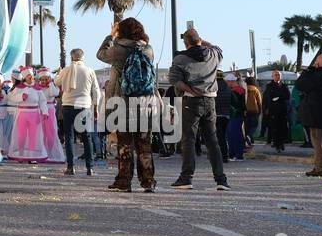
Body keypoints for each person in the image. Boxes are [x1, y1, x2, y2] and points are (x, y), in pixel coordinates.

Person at [97, 18, 160, 193]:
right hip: (145, 103)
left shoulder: (118, 50)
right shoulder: (148, 49)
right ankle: (148, 181)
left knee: (125, 144)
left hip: (123, 102)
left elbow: (100, 54)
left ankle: (124, 181)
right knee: (144, 144)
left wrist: (111, 36)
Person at [168, 26, 230, 191]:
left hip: (191, 101)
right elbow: (217, 47)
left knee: (188, 139)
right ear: (200, 40)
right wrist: (200, 40)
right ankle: (221, 180)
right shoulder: (213, 55)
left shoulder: (181, 58)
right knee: (212, 140)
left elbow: (174, 80)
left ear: (186, 43)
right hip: (210, 101)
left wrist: (190, 89)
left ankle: (186, 178)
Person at [55, 48, 102, 176]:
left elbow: (56, 82)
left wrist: (60, 73)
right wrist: (96, 107)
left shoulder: (66, 70)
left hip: (68, 105)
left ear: (71, 58)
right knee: (87, 137)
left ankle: (70, 167)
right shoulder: (90, 71)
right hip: (84, 106)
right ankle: (89, 168)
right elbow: (96, 91)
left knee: (69, 137)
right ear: (83, 57)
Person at [4, 68, 50, 163]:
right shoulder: (19, 87)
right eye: (28, 76)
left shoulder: (37, 88)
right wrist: (21, 97)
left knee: (33, 135)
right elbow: (10, 97)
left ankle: (32, 156)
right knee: (22, 134)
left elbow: (42, 101)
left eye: (31, 76)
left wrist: (45, 112)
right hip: (22, 113)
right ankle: (21, 154)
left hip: (34, 114)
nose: (31, 77)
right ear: (25, 77)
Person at [263, 70, 291, 152]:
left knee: (283, 127)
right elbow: (269, 96)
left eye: (278, 75)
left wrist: (279, 97)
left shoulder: (284, 85)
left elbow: (287, 95)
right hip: (273, 110)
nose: (277, 76)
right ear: (272, 76)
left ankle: (281, 143)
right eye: (275, 75)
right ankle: (276, 143)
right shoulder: (269, 86)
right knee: (275, 127)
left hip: (282, 110)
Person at [243, 76, 262, 150]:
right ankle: (249, 136)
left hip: (246, 111)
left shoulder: (244, 89)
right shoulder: (255, 90)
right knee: (254, 125)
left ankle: (249, 140)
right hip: (254, 111)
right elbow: (259, 101)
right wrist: (260, 110)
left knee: (247, 126)